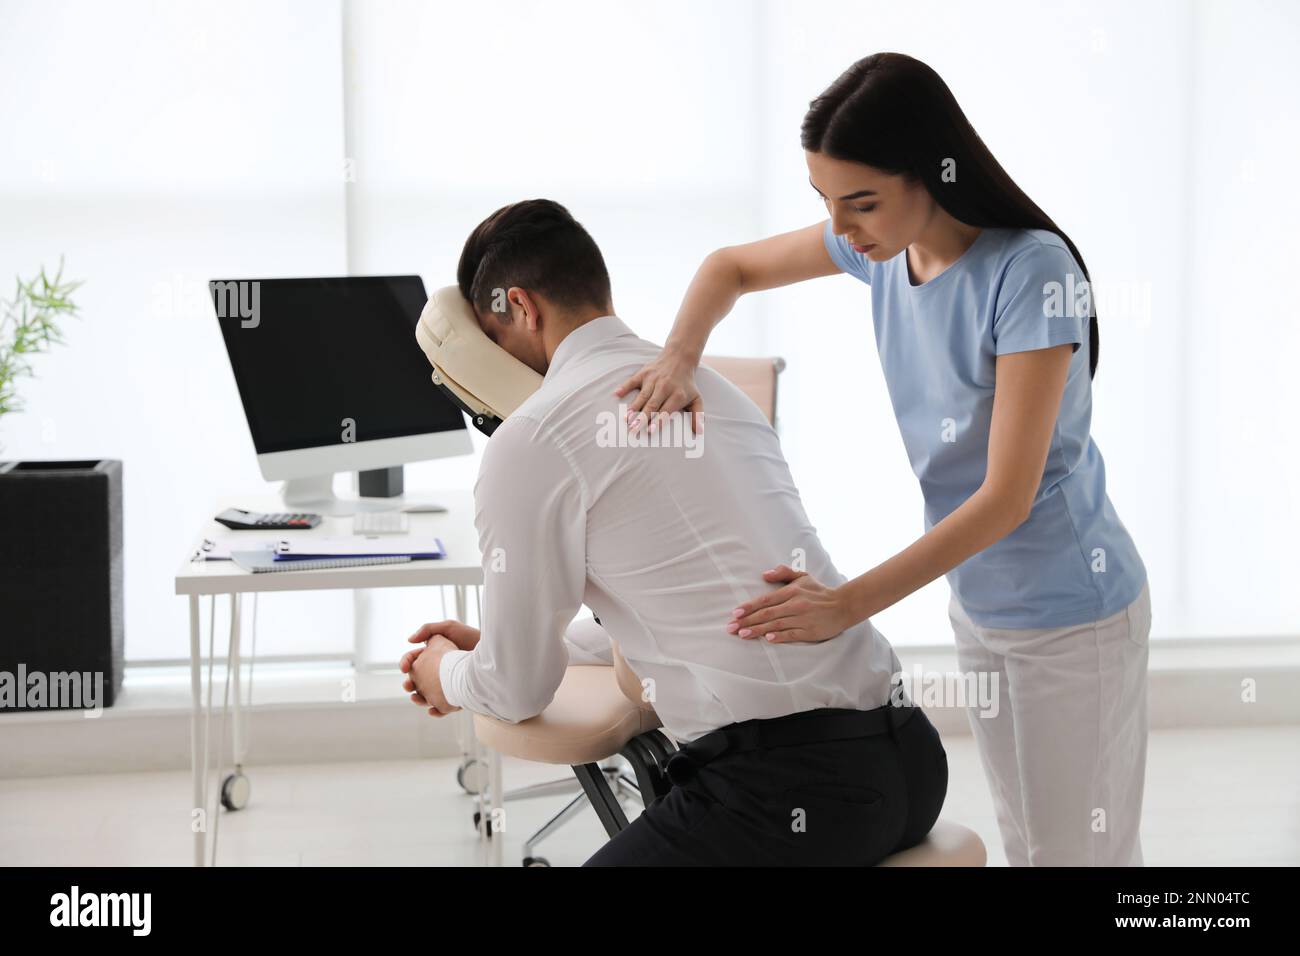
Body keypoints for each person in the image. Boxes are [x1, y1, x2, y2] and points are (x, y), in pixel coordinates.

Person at [614, 52, 1150, 866]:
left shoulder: (1030, 272)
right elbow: (728, 268)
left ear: (936, 170)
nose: (841, 225)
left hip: (1073, 614)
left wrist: (846, 604)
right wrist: (680, 355)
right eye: (826, 202)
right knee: (1031, 841)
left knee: (1079, 854)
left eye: (860, 201)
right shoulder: (881, 252)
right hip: (984, 603)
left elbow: (1007, 499)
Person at [400, 198, 948, 866]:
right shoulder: (715, 392)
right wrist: (512, 646)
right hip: (913, 760)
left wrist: (443, 672)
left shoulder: (533, 439)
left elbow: (515, 691)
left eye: (494, 336)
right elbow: (680, 598)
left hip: (793, 789)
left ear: (521, 307)